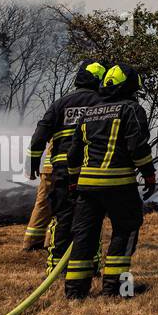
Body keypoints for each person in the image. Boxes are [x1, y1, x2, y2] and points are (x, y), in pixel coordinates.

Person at [65, 64, 156, 299]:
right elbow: (137, 146)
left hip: (87, 188)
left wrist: (74, 179)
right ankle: (115, 288)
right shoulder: (131, 109)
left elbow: (74, 152)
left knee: (84, 237)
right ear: (130, 86)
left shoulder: (89, 112)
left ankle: (75, 292)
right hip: (119, 185)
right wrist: (148, 173)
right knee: (125, 232)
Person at [26, 59, 106, 272]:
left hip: (61, 170)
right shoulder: (103, 103)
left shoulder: (61, 104)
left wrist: (34, 161)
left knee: (62, 217)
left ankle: (55, 267)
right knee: (91, 218)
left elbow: (39, 136)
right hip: (92, 168)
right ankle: (91, 264)